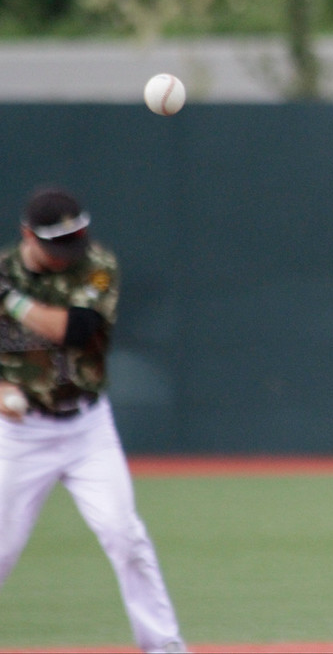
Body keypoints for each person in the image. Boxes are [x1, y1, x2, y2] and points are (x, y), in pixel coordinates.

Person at [0, 188, 186, 654]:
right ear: (28, 235)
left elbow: (78, 330)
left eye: (76, 240)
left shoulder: (96, 264)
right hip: (21, 434)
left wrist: (12, 302)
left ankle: (163, 645)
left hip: (86, 428)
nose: (70, 255)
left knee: (126, 535)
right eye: (57, 245)